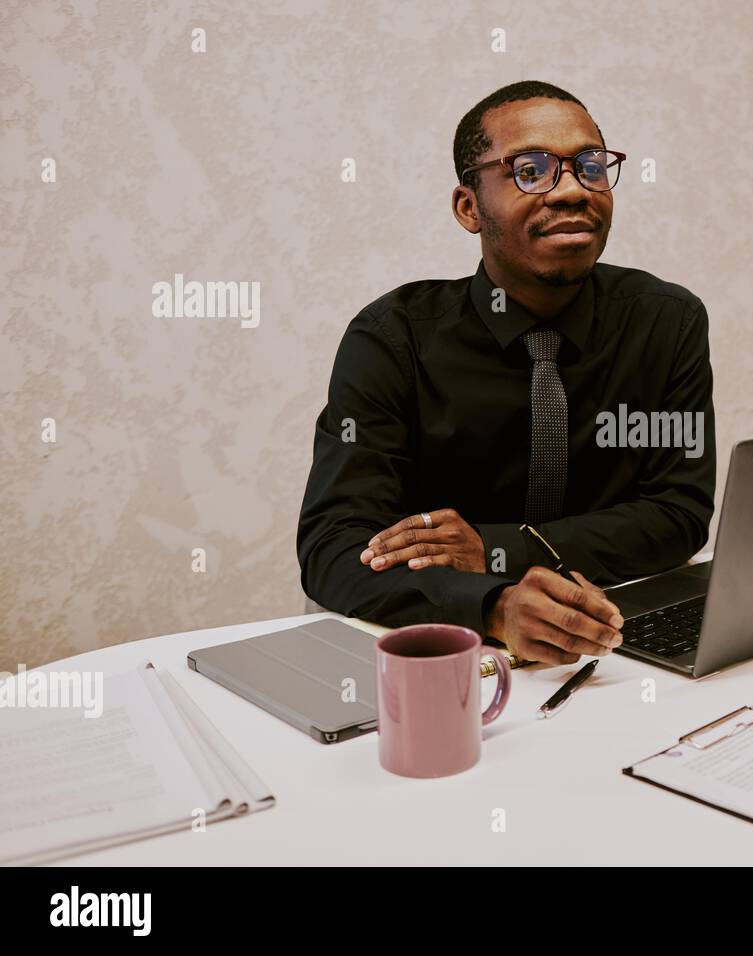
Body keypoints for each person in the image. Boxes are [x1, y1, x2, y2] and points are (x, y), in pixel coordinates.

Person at [298, 81, 716, 666]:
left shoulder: (664, 322)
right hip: (447, 653)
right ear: (469, 207)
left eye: (591, 165)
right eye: (531, 169)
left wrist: (496, 550)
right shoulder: (393, 339)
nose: (572, 190)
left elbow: (679, 512)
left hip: (618, 640)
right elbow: (333, 549)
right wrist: (492, 602)